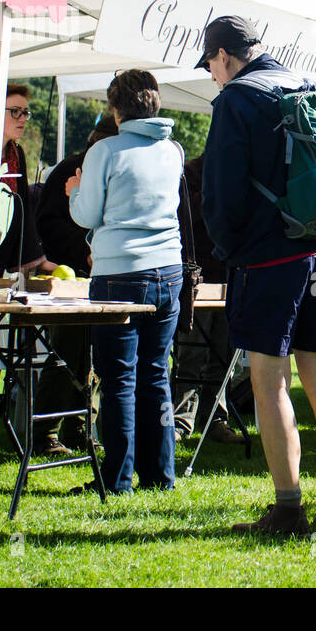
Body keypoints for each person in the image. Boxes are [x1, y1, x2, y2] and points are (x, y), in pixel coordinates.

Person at [198, 15, 316, 537]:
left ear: (224, 55)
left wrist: (230, 249)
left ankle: (288, 508)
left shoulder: (235, 100)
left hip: (269, 259)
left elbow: (221, 192)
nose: (211, 75)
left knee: (270, 382)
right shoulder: (305, 84)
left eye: (209, 64)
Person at [67, 70, 184, 494]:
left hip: (119, 272)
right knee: (156, 375)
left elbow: (86, 216)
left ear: (116, 110)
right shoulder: (173, 150)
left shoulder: (105, 151)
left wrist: (74, 191)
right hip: (168, 270)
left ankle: (116, 481)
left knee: (118, 380)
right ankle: (160, 476)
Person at [29, 114, 118, 457]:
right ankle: (45, 432)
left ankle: (80, 428)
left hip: (99, 275)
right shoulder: (71, 169)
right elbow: (50, 227)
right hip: (69, 276)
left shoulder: (105, 170)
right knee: (66, 355)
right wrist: (87, 253)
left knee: (91, 358)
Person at [170, 153, 242, 445]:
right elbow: (187, 215)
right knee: (191, 351)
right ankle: (181, 419)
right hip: (196, 275)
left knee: (224, 353)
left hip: (229, 273)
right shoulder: (189, 173)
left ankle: (216, 419)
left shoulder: (238, 171)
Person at [0, 83, 57, 277]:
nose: (23, 119)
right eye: (15, 112)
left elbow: (22, 211)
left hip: (1, 252)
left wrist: (37, 259)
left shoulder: (17, 153)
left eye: (25, 113)